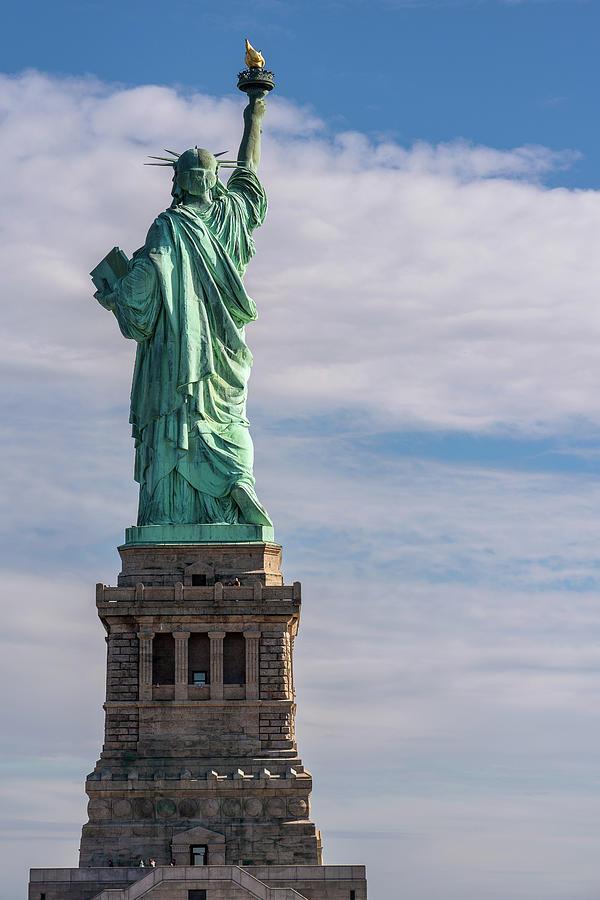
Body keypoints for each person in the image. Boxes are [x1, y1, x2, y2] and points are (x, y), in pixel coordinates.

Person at [94, 90, 272, 529]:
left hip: (176, 354)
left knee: (177, 416)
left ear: (177, 182)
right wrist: (255, 113)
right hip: (223, 350)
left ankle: (170, 512)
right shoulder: (231, 219)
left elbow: (143, 290)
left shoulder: (168, 226)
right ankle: (236, 481)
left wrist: (115, 294)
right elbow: (248, 172)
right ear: (213, 181)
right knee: (228, 418)